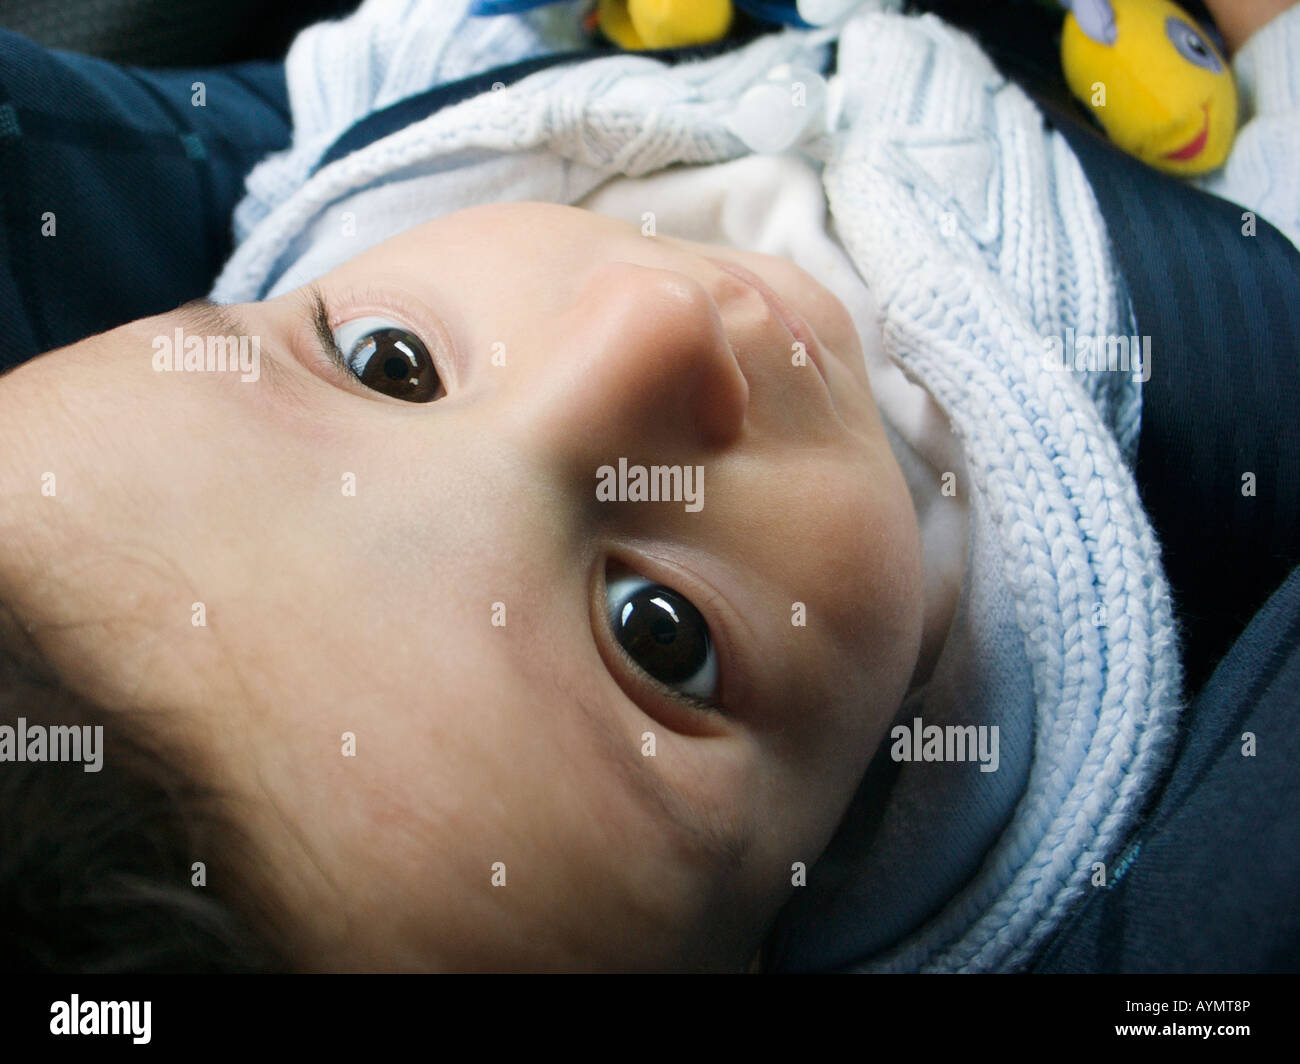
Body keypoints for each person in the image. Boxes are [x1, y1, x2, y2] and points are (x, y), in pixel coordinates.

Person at [0, 0, 1296, 972]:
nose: (647, 325)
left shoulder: (367, 183)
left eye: (387, 366)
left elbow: (378, 64)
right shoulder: (1217, 438)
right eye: (656, 633)